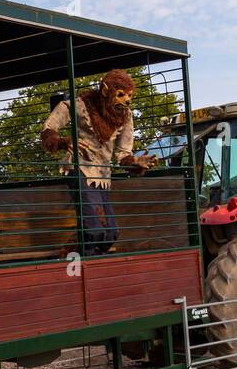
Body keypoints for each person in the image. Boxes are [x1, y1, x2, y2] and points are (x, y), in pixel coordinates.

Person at [40, 69, 157, 255]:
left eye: (129, 96)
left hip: (102, 176)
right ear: (105, 91)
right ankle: (83, 262)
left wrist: (135, 161)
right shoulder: (82, 105)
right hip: (80, 169)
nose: (126, 100)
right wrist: (63, 141)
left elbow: (122, 154)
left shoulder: (125, 116)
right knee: (94, 230)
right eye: (120, 95)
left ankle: (79, 253)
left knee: (110, 234)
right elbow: (49, 127)